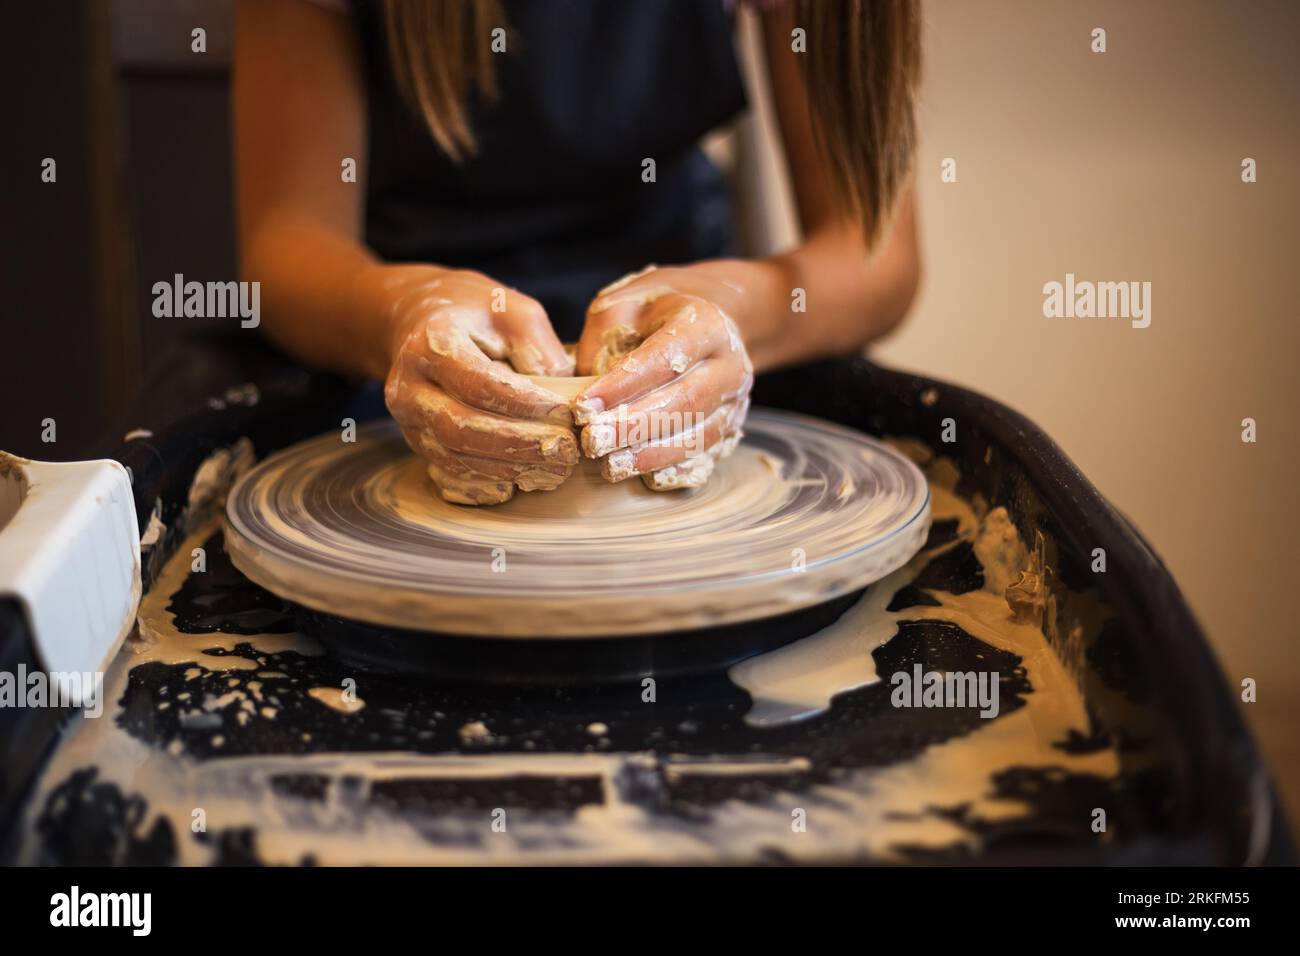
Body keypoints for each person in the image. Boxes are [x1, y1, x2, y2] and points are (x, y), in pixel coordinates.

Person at [234, 0, 921, 504]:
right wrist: (401, 310)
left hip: (681, 306)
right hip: (397, 329)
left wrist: (737, 306)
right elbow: (285, 250)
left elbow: (875, 251)